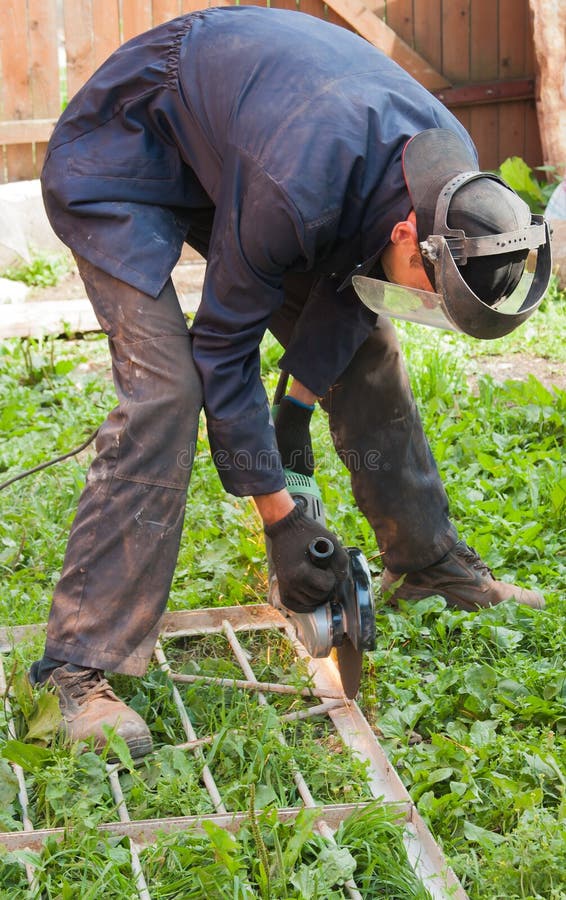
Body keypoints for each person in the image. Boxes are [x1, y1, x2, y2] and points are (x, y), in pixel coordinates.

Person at [32, 6, 549, 757]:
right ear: (414, 231)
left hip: (239, 148)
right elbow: (223, 350)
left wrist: (296, 410)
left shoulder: (447, 168)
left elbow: (355, 281)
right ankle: (73, 669)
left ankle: (429, 566)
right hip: (123, 153)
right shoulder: (297, 188)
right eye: (429, 287)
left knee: (370, 346)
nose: (425, 301)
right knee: (168, 390)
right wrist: (284, 522)